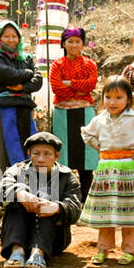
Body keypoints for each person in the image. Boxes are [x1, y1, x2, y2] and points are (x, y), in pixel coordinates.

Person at [77, 77, 134, 265]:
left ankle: (130, 250)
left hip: (129, 169)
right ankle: (103, 248)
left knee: (128, 212)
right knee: (105, 210)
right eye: (108, 97)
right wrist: (98, 146)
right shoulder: (99, 119)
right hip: (106, 169)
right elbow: (86, 133)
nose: (112, 102)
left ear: (128, 99)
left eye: (118, 97)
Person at [0, 131, 83, 268]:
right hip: (16, 233)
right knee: (17, 199)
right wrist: (19, 193)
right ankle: (17, 252)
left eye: (47, 154)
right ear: (29, 153)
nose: (41, 159)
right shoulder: (17, 170)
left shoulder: (68, 177)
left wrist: (56, 208)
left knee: (46, 199)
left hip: (53, 239)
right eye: (36, 153)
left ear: (57, 156)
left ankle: (38, 253)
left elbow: (75, 209)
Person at [0, 20, 43, 182]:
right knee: (0, 151)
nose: (11, 40)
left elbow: (38, 81)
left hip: (23, 109)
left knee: (28, 147)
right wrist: (28, 74)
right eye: (6, 36)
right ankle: (0, 197)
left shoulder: (26, 58)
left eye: (14, 36)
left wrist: (22, 87)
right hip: (0, 108)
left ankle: (25, 190)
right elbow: (4, 73)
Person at [48, 26, 99, 196]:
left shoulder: (90, 64)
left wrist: (69, 83)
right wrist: (78, 90)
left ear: (83, 44)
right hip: (63, 113)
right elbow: (57, 87)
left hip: (85, 112)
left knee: (87, 153)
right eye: (70, 41)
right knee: (63, 153)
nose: (74, 45)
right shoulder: (56, 65)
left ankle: (86, 194)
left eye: (78, 41)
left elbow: (91, 84)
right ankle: (64, 193)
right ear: (63, 43)